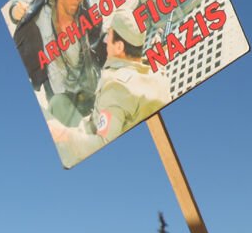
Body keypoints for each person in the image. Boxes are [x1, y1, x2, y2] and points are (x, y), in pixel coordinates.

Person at [47, 16, 170, 167]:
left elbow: (102, 143)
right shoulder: (155, 72)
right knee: (58, 102)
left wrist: (65, 135)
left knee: (54, 113)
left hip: (96, 149)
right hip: (113, 127)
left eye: (109, 36)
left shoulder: (116, 89)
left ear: (119, 47)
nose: (105, 41)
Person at [8, 0, 106, 129]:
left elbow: (104, 44)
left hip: (88, 94)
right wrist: (15, 11)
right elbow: (19, 10)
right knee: (59, 106)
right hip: (60, 99)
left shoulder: (89, 12)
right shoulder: (41, 4)